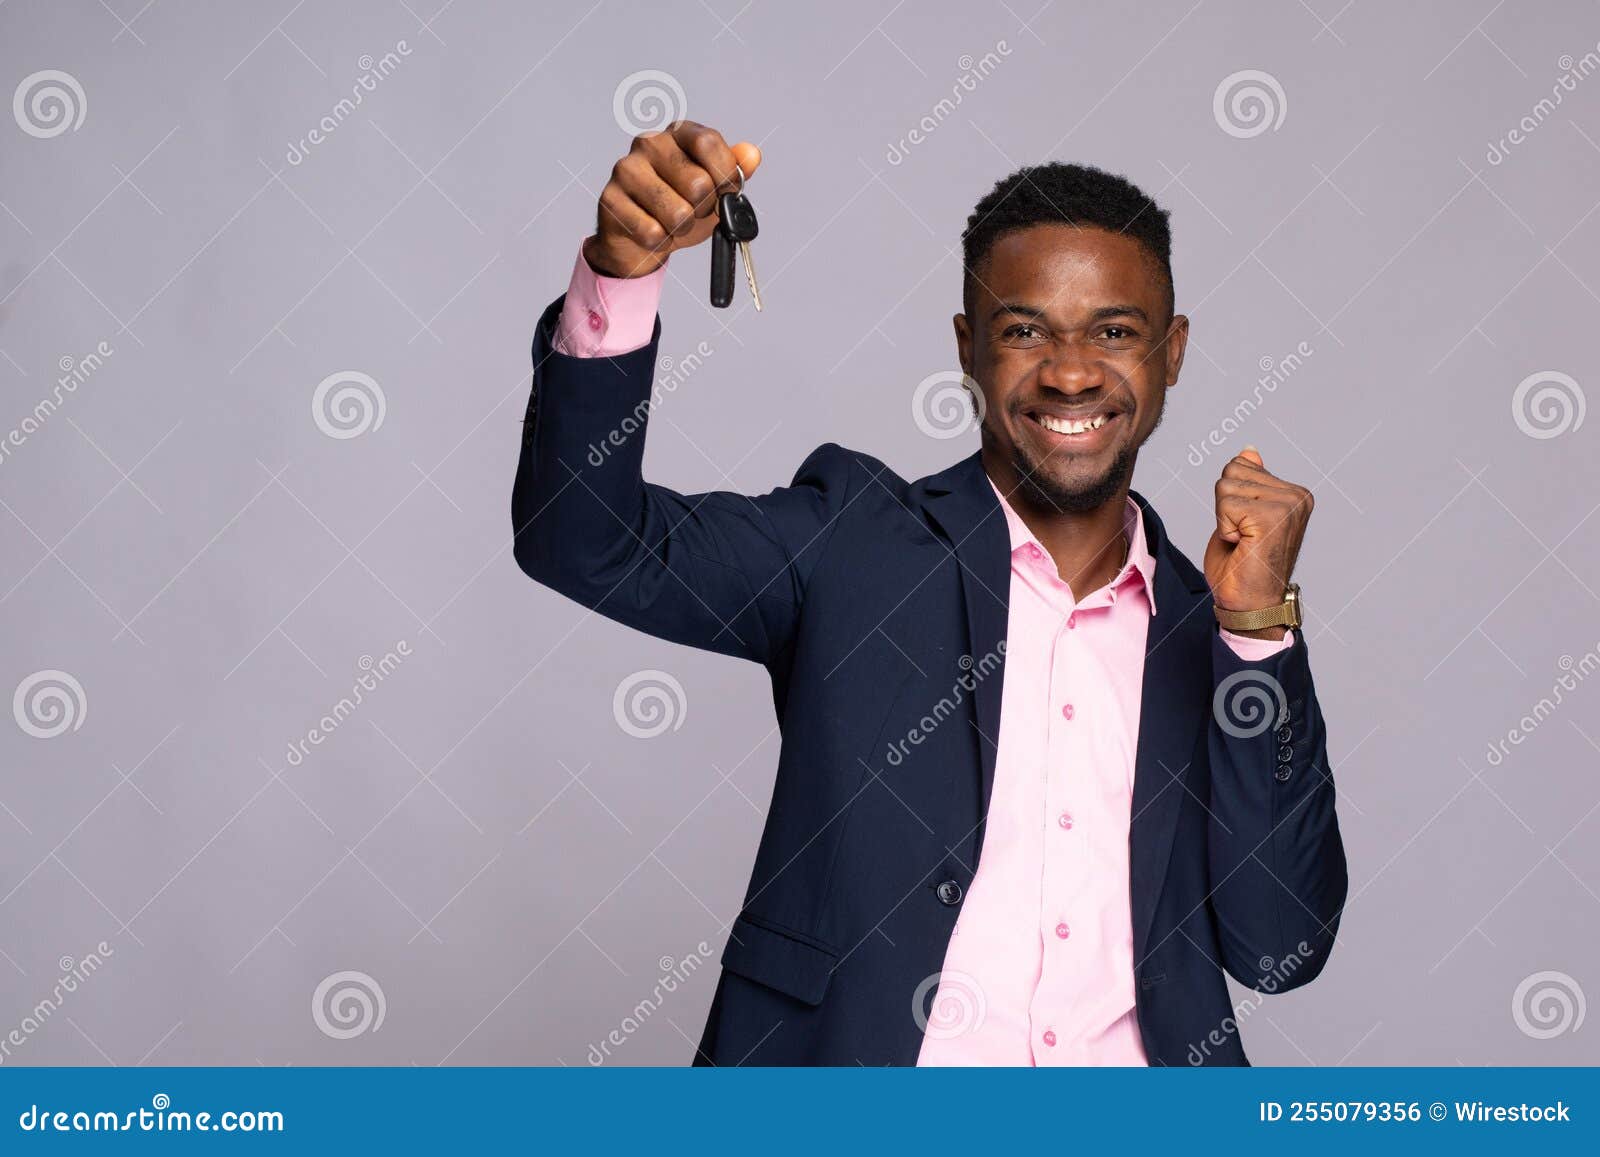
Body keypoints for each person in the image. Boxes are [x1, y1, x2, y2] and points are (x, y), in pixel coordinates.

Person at [512, 120, 1346, 1066]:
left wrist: (1257, 630)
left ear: (1172, 352)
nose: (1072, 372)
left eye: (1115, 332)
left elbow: (1280, 949)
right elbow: (582, 539)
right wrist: (621, 274)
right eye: (1024, 330)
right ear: (967, 348)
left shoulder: (1218, 626)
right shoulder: (855, 543)